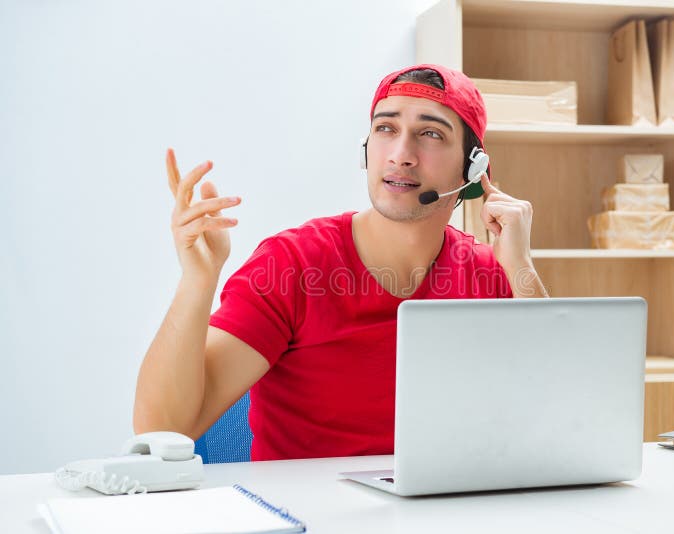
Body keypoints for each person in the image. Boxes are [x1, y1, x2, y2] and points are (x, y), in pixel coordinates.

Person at [133, 64, 548, 461]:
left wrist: (521, 267)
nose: (401, 154)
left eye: (430, 134)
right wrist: (197, 280)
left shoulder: (489, 272)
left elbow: (557, 415)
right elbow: (163, 430)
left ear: (473, 168)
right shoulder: (291, 264)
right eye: (386, 128)